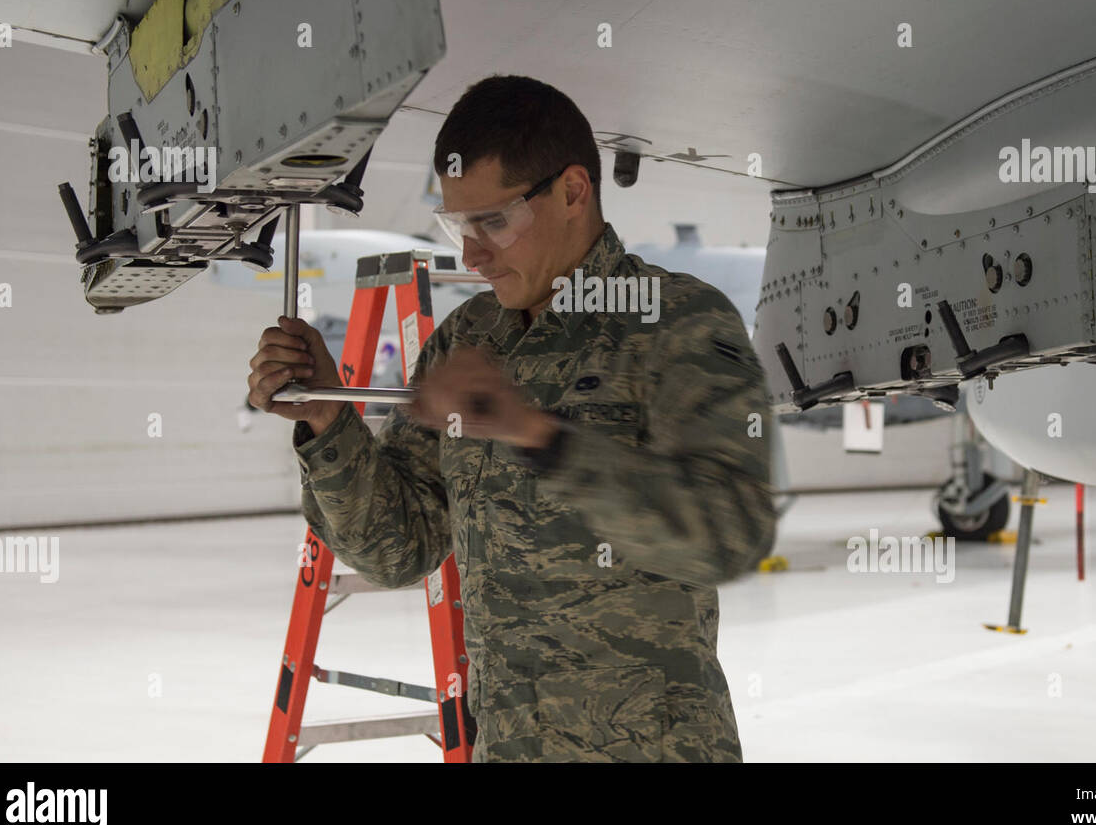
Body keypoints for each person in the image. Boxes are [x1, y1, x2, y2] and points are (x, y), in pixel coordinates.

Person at [246, 74, 779, 762]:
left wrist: (540, 436)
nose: (471, 254)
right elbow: (398, 549)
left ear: (573, 192)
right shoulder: (469, 339)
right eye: (459, 226)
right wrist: (327, 420)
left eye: (493, 222)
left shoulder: (677, 322)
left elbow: (731, 533)